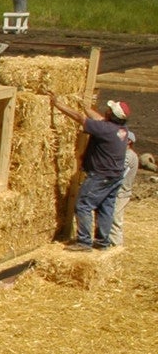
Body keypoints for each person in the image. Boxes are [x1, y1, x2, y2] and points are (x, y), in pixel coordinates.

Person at [49, 96, 132, 251]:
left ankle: (84, 242)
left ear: (111, 115)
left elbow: (80, 118)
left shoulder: (104, 130)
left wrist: (59, 105)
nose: (106, 111)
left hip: (100, 176)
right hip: (115, 177)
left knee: (83, 205)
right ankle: (102, 243)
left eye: (109, 110)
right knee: (106, 208)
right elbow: (99, 119)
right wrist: (86, 107)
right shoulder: (122, 130)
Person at [109, 131, 138, 248]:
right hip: (120, 192)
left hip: (121, 193)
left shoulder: (128, 155)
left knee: (115, 220)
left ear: (129, 141)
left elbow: (117, 171)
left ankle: (116, 246)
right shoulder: (127, 154)